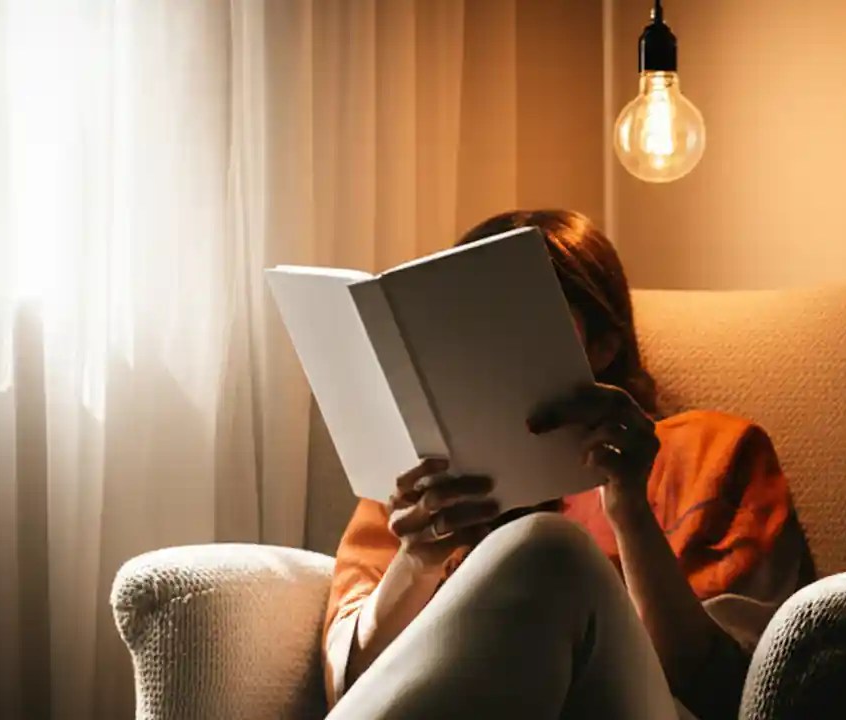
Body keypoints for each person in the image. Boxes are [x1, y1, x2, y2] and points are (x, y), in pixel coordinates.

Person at [322, 210, 812, 720]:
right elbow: (351, 686)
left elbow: (733, 690)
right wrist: (416, 563)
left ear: (603, 344)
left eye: (519, 324)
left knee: (549, 548)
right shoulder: (423, 487)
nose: (489, 351)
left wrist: (631, 514)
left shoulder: (716, 453)